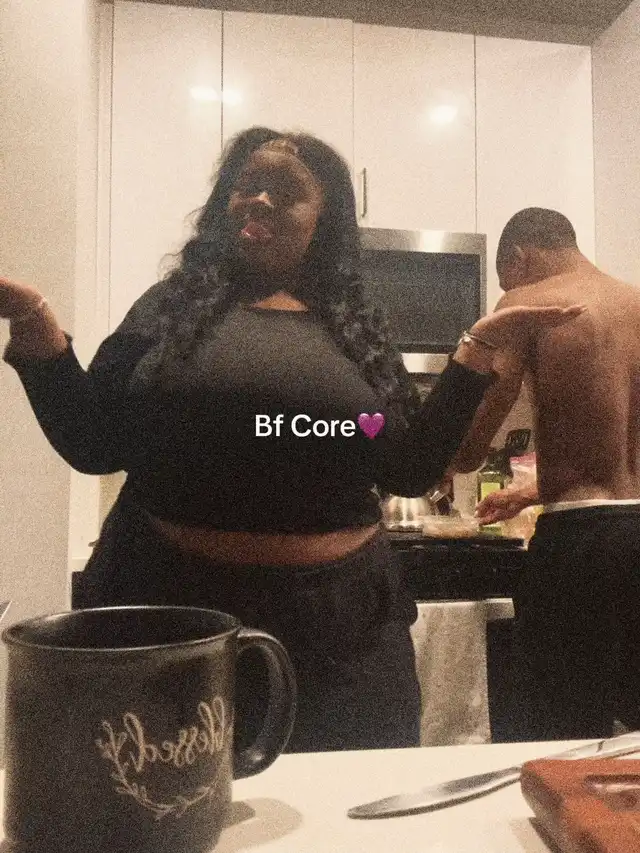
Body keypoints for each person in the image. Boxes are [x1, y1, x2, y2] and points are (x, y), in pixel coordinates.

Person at [1, 132, 581, 752]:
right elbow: (93, 442)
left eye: (284, 191)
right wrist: (38, 331)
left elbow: (407, 467)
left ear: (323, 218)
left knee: (351, 804)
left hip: (343, 633)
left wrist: (475, 354)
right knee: (167, 801)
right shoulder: (169, 307)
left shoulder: (357, 326)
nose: (259, 200)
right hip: (172, 618)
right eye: (247, 186)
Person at [449, 207, 640, 741]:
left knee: (555, 733)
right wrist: (531, 490)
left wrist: (430, 455)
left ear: (518, 257)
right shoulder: (635, 302)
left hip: (579, 547)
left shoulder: (526, 304)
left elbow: (471, 445)